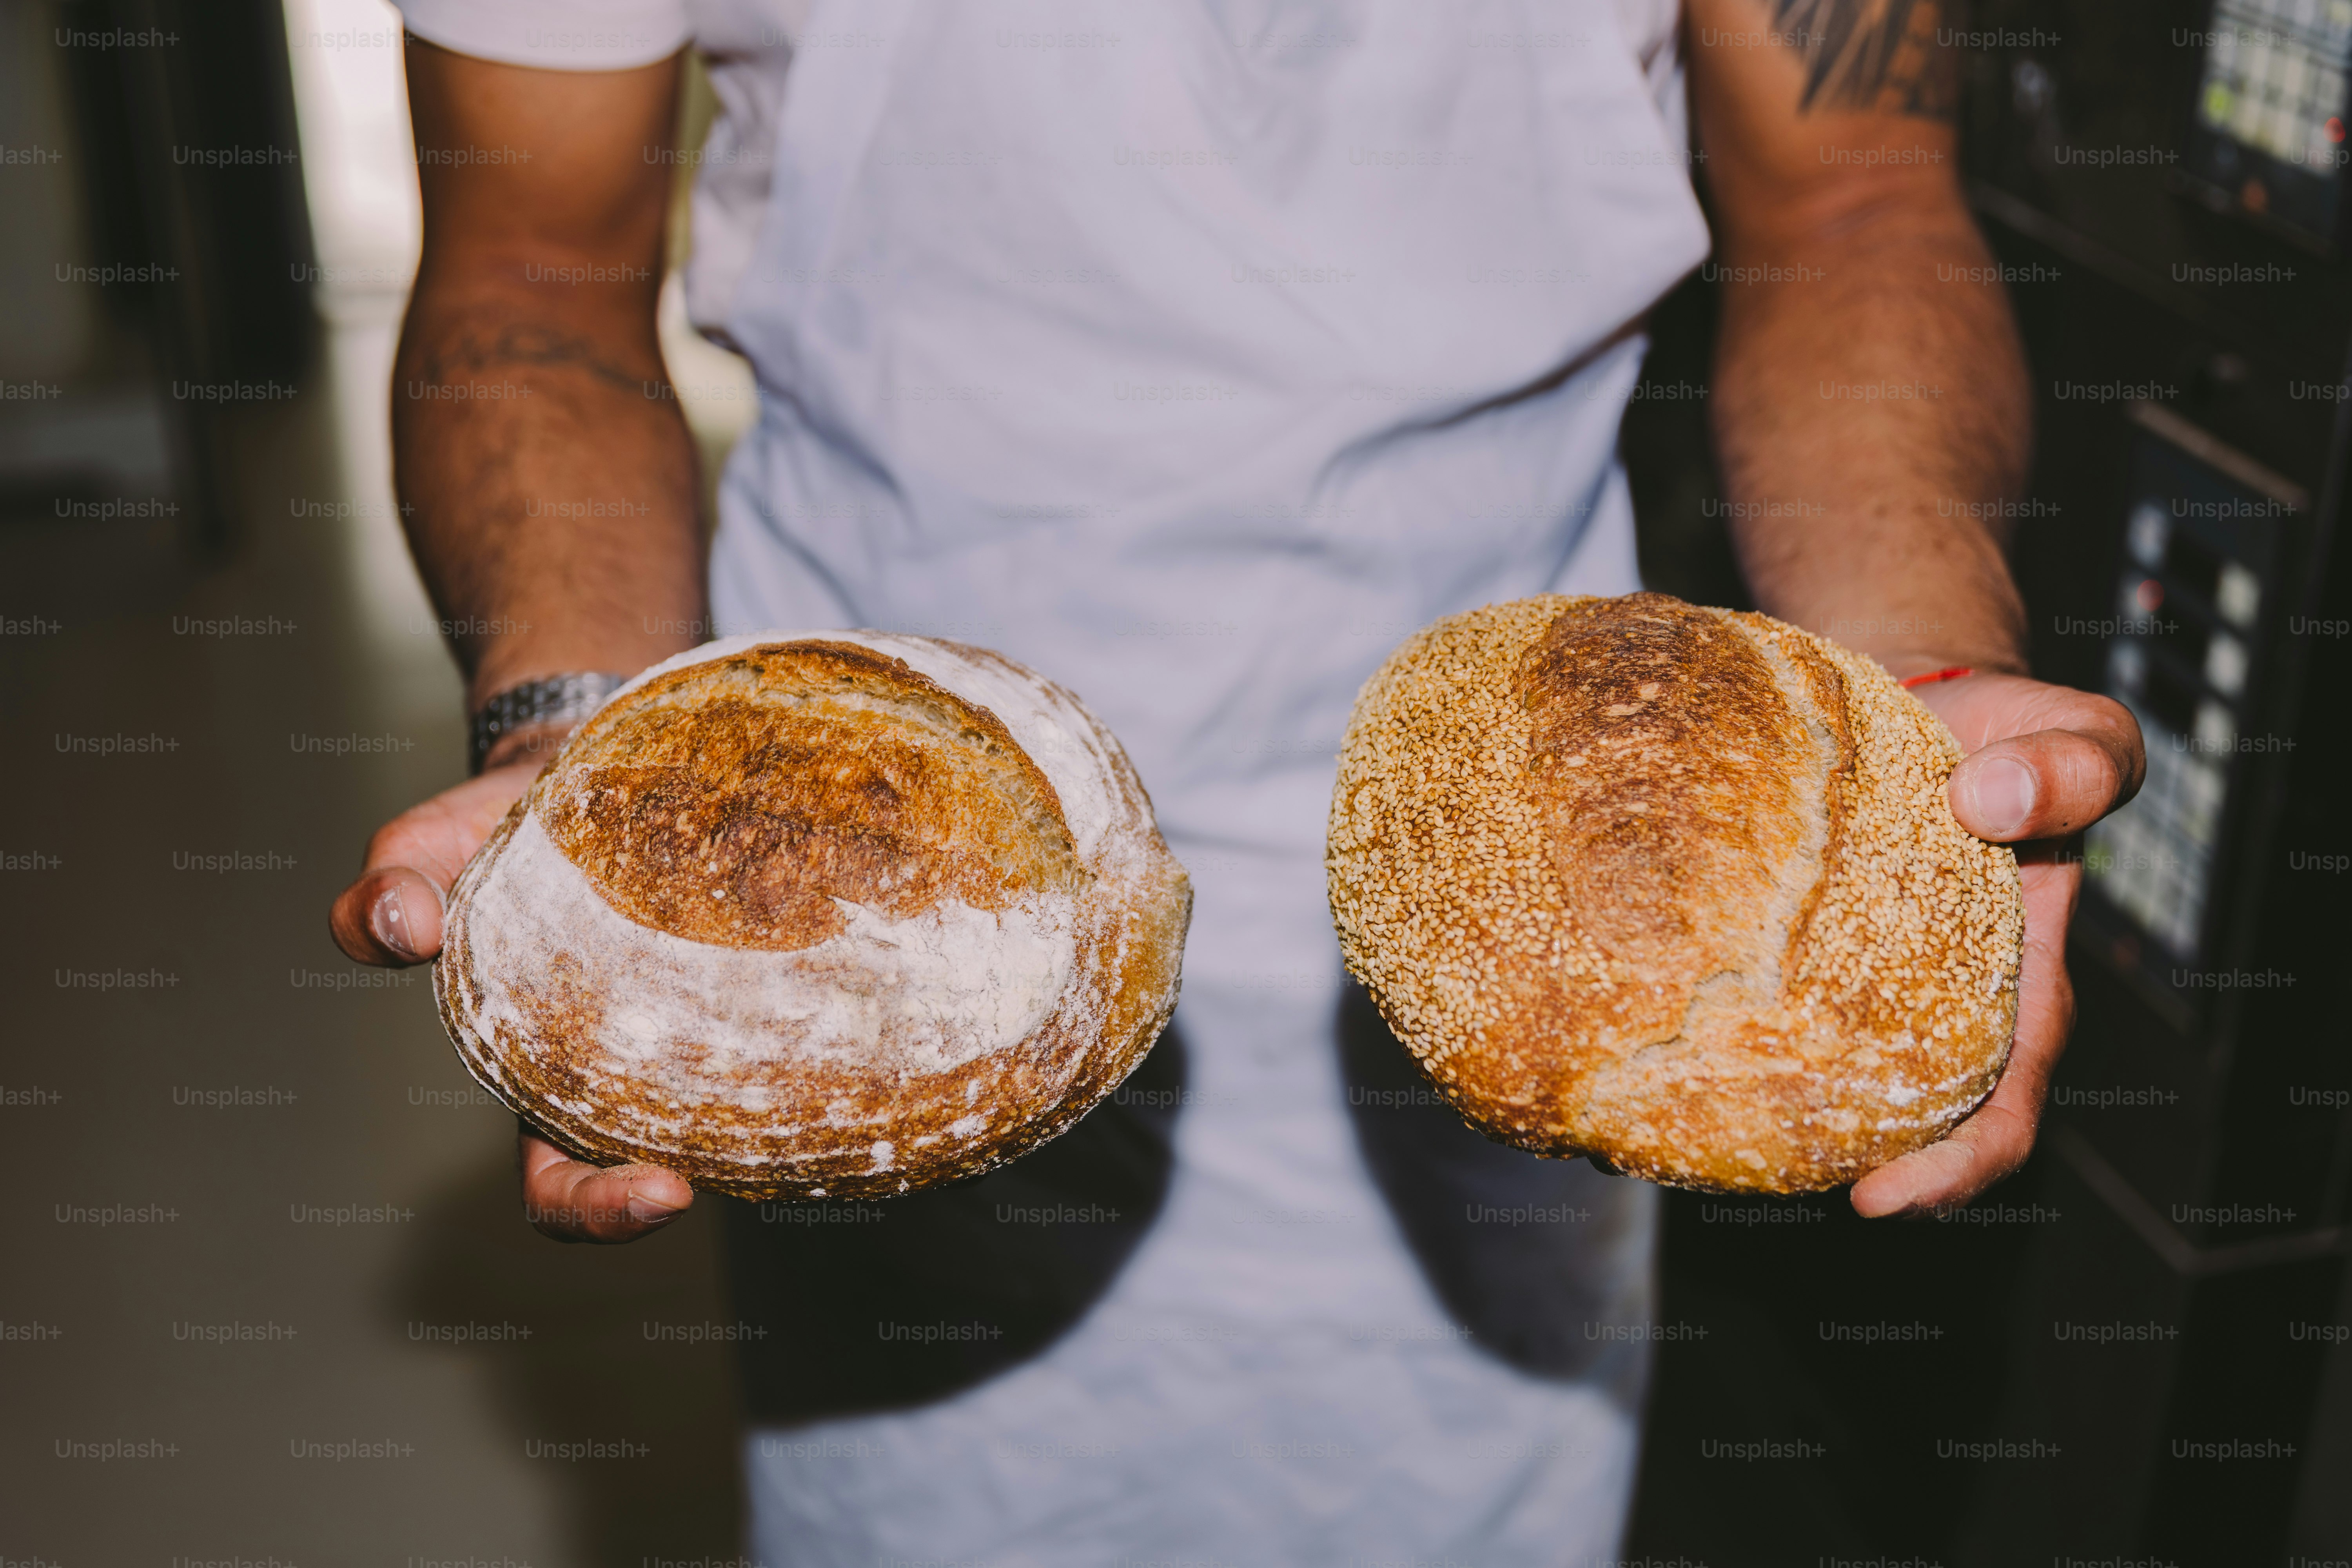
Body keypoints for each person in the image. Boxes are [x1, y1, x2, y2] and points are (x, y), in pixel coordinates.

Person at [330, 1, 2146, 1560]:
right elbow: (535, 273)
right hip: (860, 895)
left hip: (1547, 864)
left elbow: (1848, 194)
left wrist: (1909, 701)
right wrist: (580, 743)